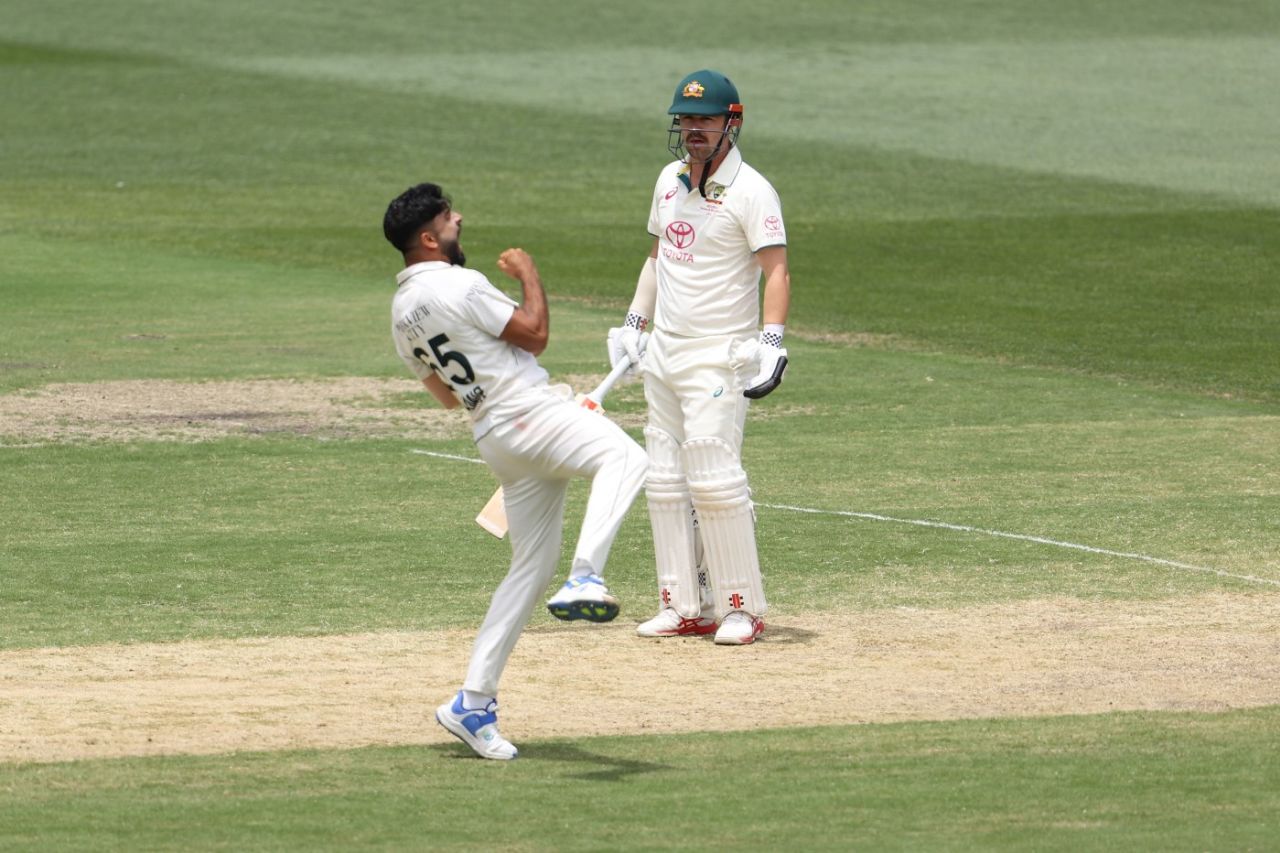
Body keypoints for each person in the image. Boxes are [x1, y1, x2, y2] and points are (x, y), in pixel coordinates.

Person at [385, 182, 648, 759]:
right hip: (527, 417)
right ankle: (586, 575)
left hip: (495, 435)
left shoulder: (401, 313)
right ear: (429, 238)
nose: (460, 222)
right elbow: (536, 333)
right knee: (627, 457)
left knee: (529, 567)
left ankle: (472, 703)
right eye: (450, 219)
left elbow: (447, 397)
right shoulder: (460, 283)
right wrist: (529, 273)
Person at [608, 69, 791, 646]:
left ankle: (740, 607)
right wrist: (634, 323)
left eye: (705, 119)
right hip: (665, 350)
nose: (692, 129)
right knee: (664, 480)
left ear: (730, 123)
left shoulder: (752, 190)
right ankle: (682, 604)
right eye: (685, 119)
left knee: (713, 481)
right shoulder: (668, 179)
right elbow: (658, 256)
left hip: (720, 354)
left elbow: (776, 270)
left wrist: (771, 342)